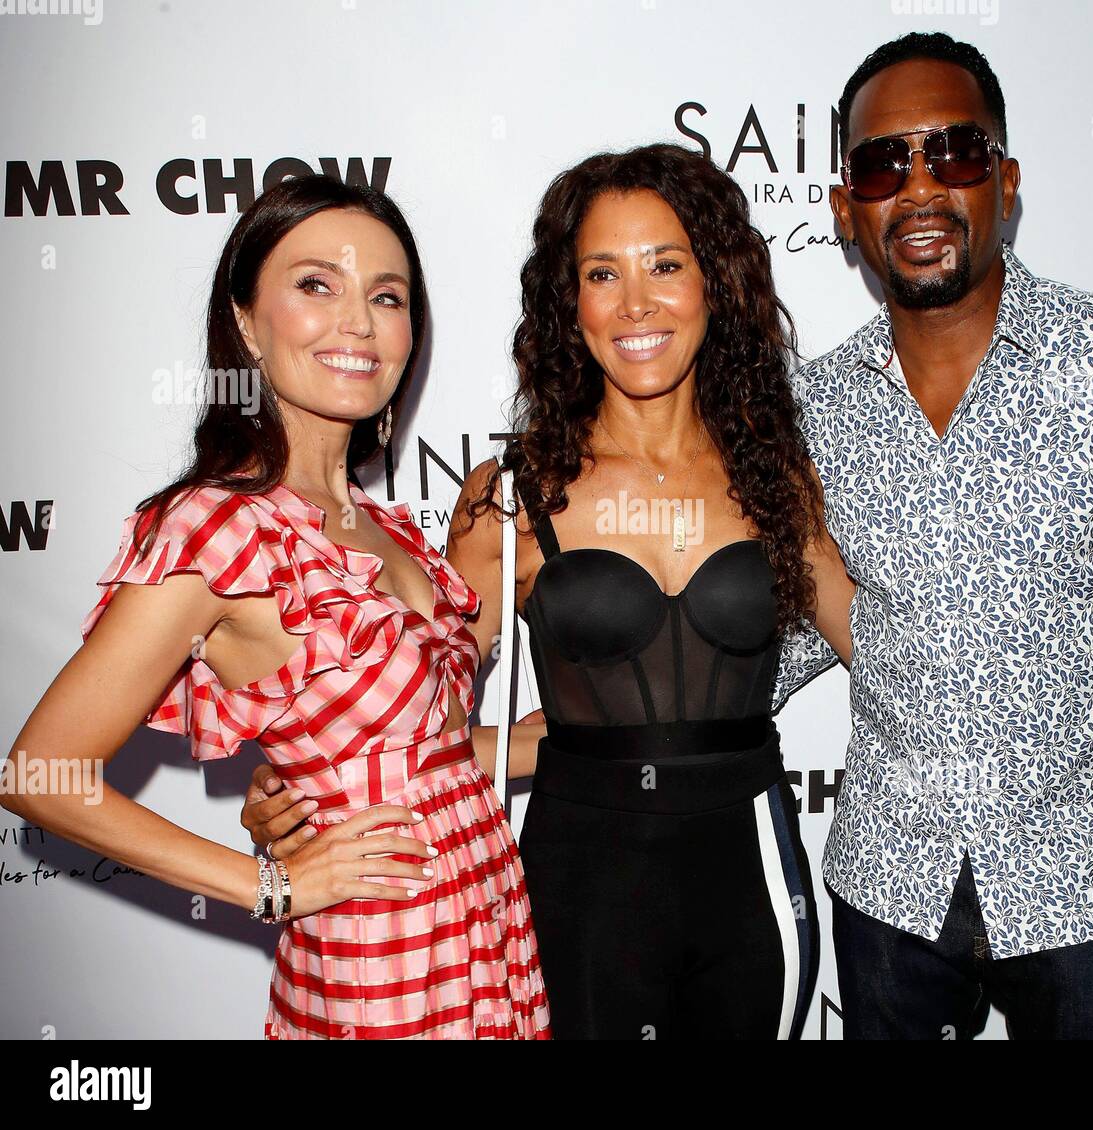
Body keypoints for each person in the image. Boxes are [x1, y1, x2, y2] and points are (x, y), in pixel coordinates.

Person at [243, 143, 857, 1040]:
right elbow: (419, 714)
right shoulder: (513, 494)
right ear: (570, 303)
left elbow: (887, 660)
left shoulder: (774, 477)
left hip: (754, 879)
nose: (637, 304)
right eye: (602, 273)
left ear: (714, 285)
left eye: (666, 266)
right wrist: (301, 787)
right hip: (580, 885)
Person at [770, 32, 1093, 1040]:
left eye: (952, 153)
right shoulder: (811, 408)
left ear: (1003, 182)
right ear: (843, 209)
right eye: (883, 162)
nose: (918, 187)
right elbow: (790, 633)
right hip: (889, 899)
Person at [1, 174, 550, 1040]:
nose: (359, 322)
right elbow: (40, 774)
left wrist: (532, 744)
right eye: (316, 285)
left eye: (387, 295)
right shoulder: (217, 529)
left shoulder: (386, 530)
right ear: (248, 323)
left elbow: (398, 758)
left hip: (487, 923)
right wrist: (275, 887)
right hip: (378, 955)